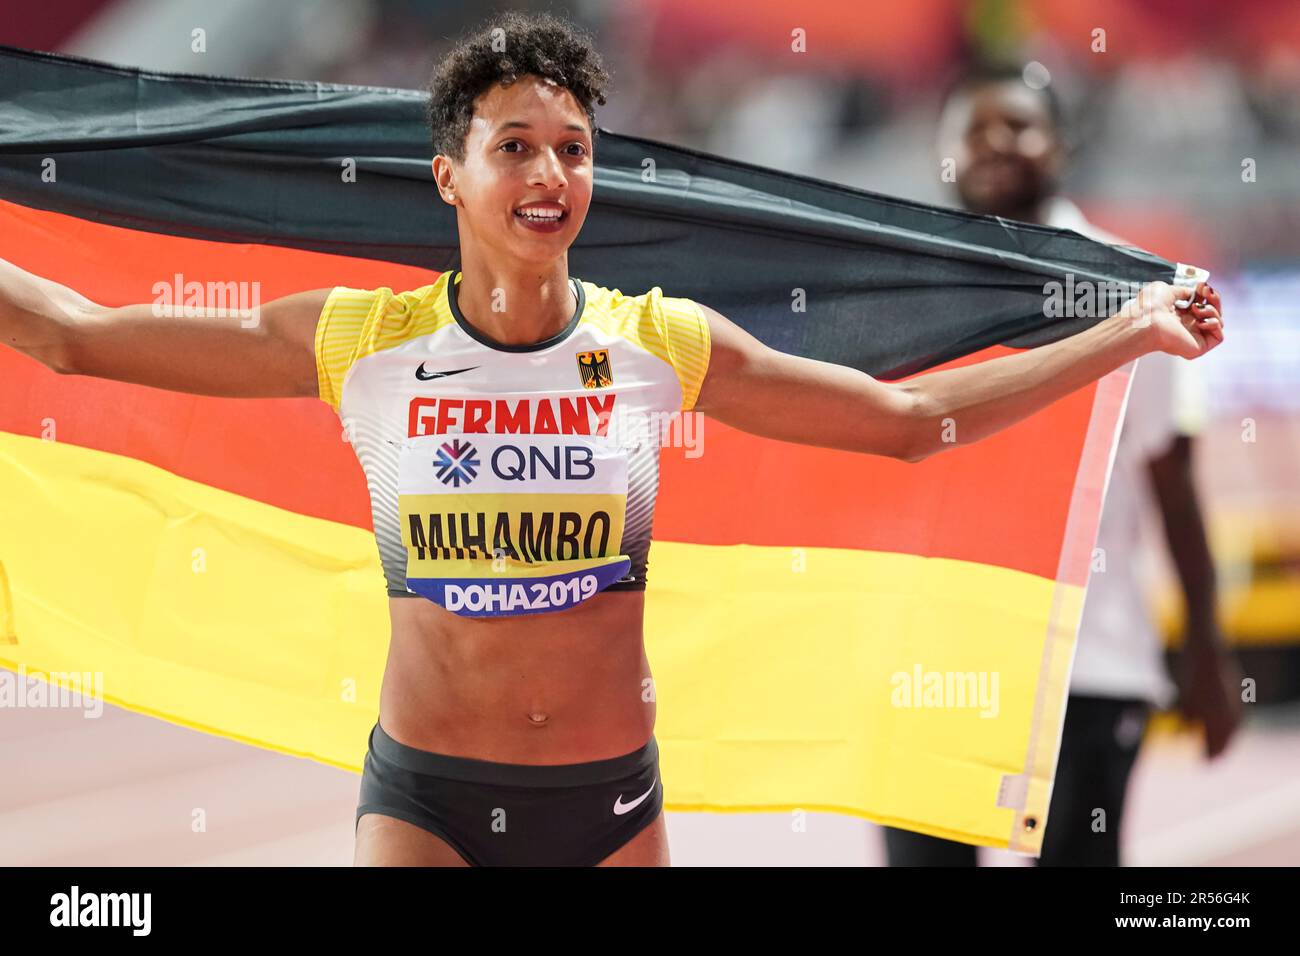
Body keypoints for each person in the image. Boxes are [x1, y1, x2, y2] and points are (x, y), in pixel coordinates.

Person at [0, 15, 1223, 867]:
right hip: (425, 797)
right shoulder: (356, 339)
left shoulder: (660, 343)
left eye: (574, 148)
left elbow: (908, 424)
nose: (550, 171)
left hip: (611, 803)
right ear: (448, 176)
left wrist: (1128, 332)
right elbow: (72, 338)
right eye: (515, 145)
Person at [882, 64, 1242, 867]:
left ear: (1063, 144)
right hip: (935, 666)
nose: (995, 145)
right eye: (975, 129)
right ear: (943, 151)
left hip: (1085, 660)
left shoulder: (1139, 294)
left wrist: (1209, 653)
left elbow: (1174, 487)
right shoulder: (901, 289)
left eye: (1018, 126)